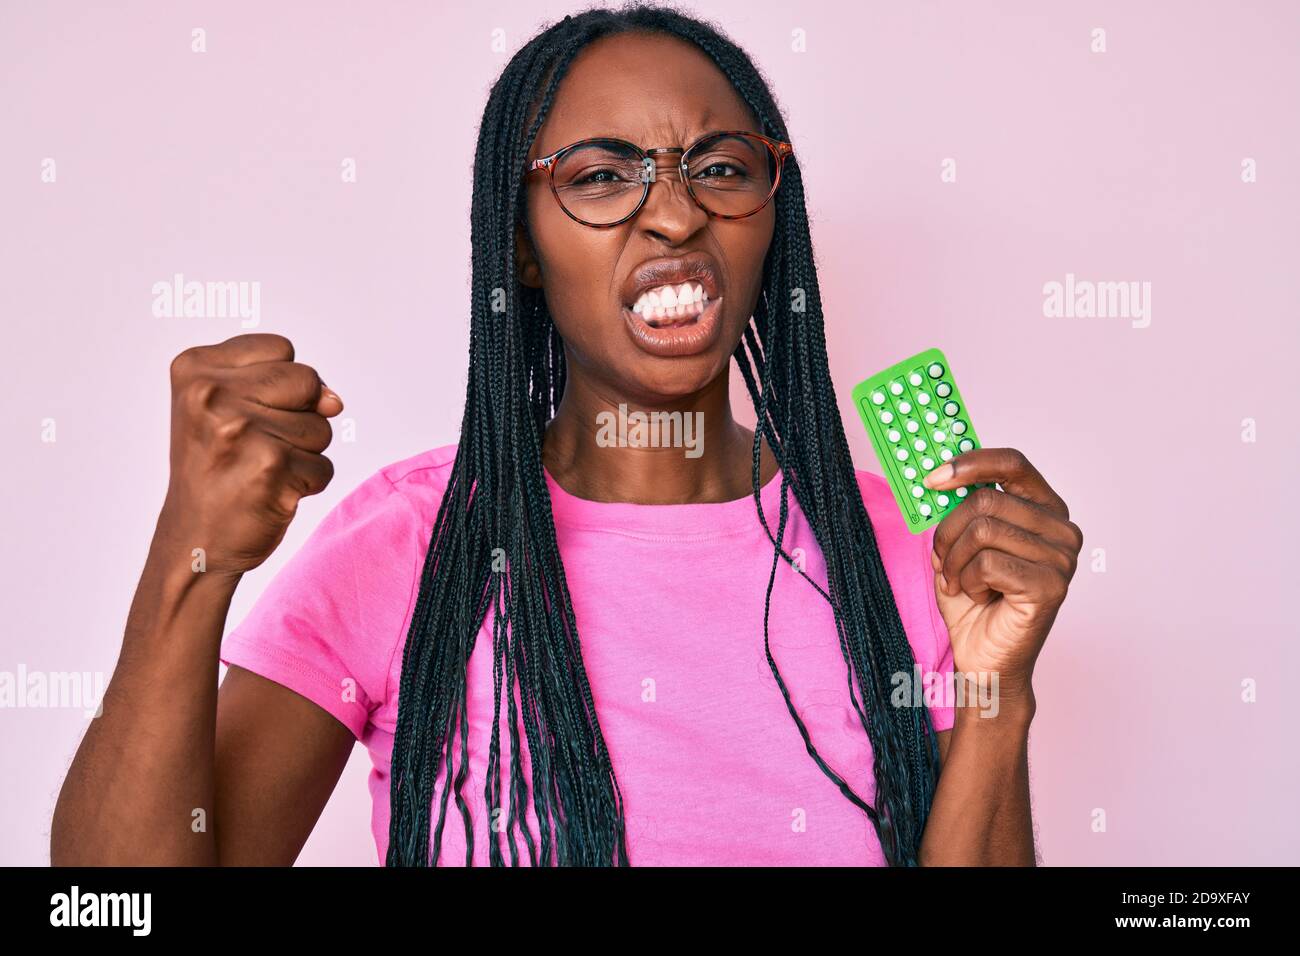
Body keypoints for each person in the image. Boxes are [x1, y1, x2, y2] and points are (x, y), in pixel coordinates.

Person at [50, 3, 1082, 867]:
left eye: (721, 168)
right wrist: (190, 557)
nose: (674, 215)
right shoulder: (415, 544)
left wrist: (996, 699)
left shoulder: (911, 551)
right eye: (599, 176)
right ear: (523, 249)